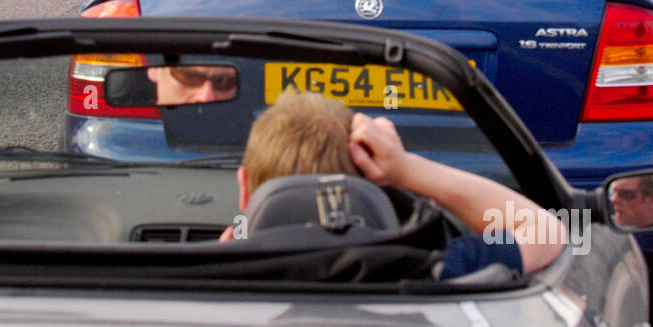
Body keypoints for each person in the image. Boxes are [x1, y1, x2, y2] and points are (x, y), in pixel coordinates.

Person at [220, 90, 567, 277]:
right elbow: (548, 232)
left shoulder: (206, 274)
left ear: (244, 188)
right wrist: (407, 169)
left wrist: (227, 253)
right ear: (371, 186)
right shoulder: (421, 265)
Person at [147, 64, 238, 106]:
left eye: (224, 82)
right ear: (154, 70)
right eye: (189, 77)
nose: (206, 98)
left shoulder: (248, 133)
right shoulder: (137, 122)